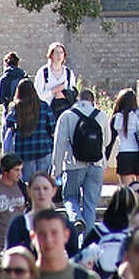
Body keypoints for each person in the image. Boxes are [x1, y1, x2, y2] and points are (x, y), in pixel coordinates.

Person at [51, 88, 108, 233]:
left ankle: (76, 218)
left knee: (70, 197)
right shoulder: (101, 115)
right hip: (96, 164)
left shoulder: (67, 116)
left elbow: (59, 145)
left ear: (78, 100)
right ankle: (86, 241)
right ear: (92, 101)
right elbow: (106, 141)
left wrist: (56, 170)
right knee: (90, 204)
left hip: (73, 165)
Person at [2, 79, 55, 182]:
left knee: (29, 182)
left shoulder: (17, 107)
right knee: (43, 181)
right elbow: (52, 126)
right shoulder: (43, 106)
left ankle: (30, 198)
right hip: (43, 148)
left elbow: (8, 123)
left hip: (25, 150)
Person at [107, 88, 139, 186]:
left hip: (124, 155)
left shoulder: (116, 118)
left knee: (127, 191)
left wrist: (105, 159)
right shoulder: (138, 115)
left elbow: (110, 141)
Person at [34, 42, 78, 120]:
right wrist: (53, 91)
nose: (59, 55)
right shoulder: (43, 72)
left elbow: (73, 93)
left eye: (61, 53)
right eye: (56, 52)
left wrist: (64, 95)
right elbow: (37, 95)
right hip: (47, 113)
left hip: (65, 112)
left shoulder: (68, 73)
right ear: (51, 55)